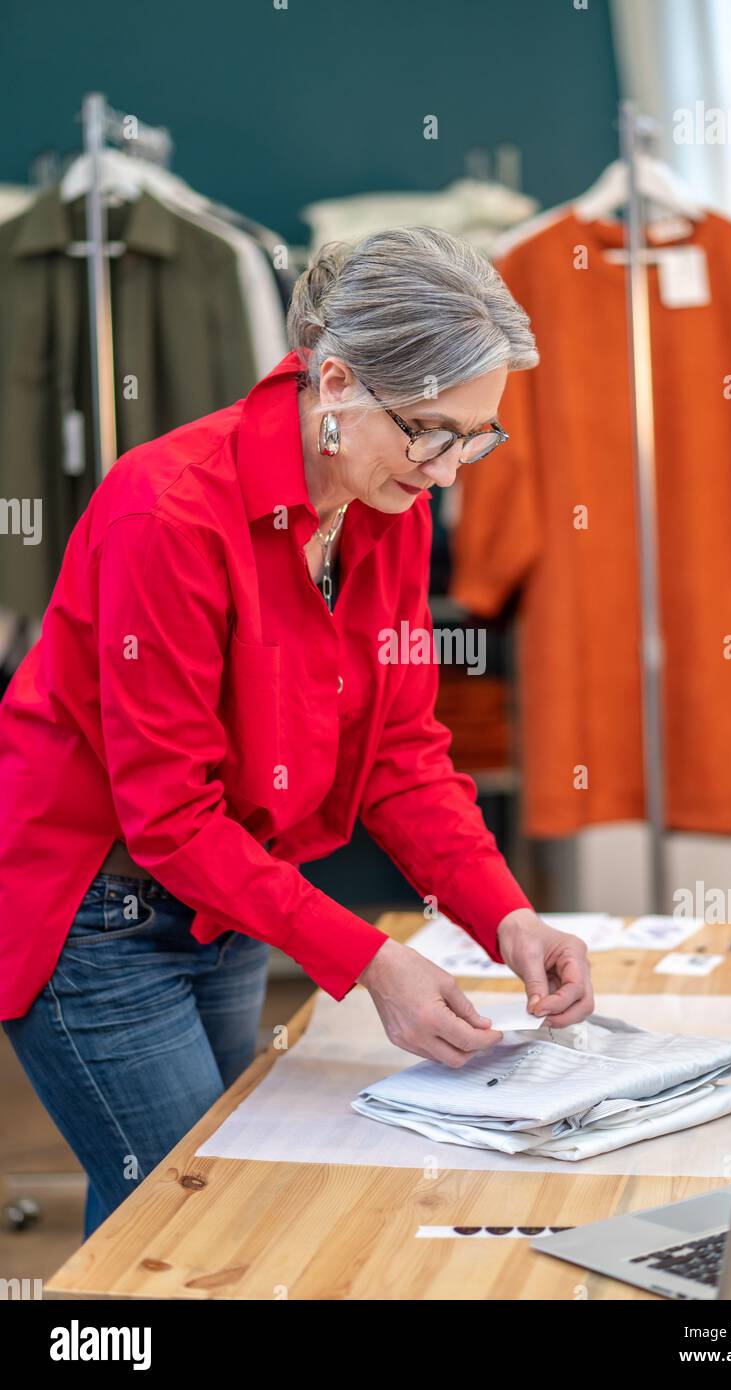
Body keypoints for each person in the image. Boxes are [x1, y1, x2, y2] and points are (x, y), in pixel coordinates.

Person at [0, 227, 594, 1239]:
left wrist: (504, 915)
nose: (449, 472)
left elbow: (402, 752)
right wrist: (371, 962)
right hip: (95, 916)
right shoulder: (170, 513)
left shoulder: (384, 502)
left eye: (475, 437)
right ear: (335, 382)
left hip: (231, 900)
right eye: (433, 432)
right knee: (182, 1219)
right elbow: (170, 818)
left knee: (209, 1208)